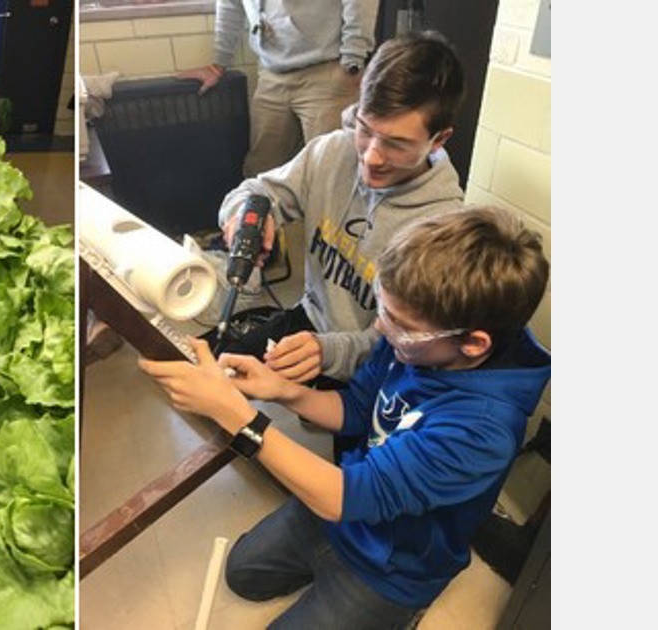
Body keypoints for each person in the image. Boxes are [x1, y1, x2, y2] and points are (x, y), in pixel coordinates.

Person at [139, 205, 551, 628]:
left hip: (394, 567)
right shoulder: (419, 340)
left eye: (399, 321)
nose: (381, 327)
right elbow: (357, 409)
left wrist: (239, 419)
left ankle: (403, 611)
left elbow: (342, 496)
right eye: (383, 308)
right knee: (243, 572)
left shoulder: (480, 430)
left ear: (473, 344)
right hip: (344, 508)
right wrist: (284, 391)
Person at [214, 30, 467, 392]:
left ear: (438, 139)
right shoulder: (332, 151)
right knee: (217, 368)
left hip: (375, 364)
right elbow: (255, 191)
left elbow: (406, 344)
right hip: (312, 317)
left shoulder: (442, 231)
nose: (371, 157)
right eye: (365, 129)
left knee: (345, 447)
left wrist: (328, 353)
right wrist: (244, 215)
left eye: (396, 143)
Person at [178, 0, 379, 177]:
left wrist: (353, 60)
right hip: (272, 73)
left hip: (327, 71)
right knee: (261, 169)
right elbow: (231, 4)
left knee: (330, 172)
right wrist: (218, 65)